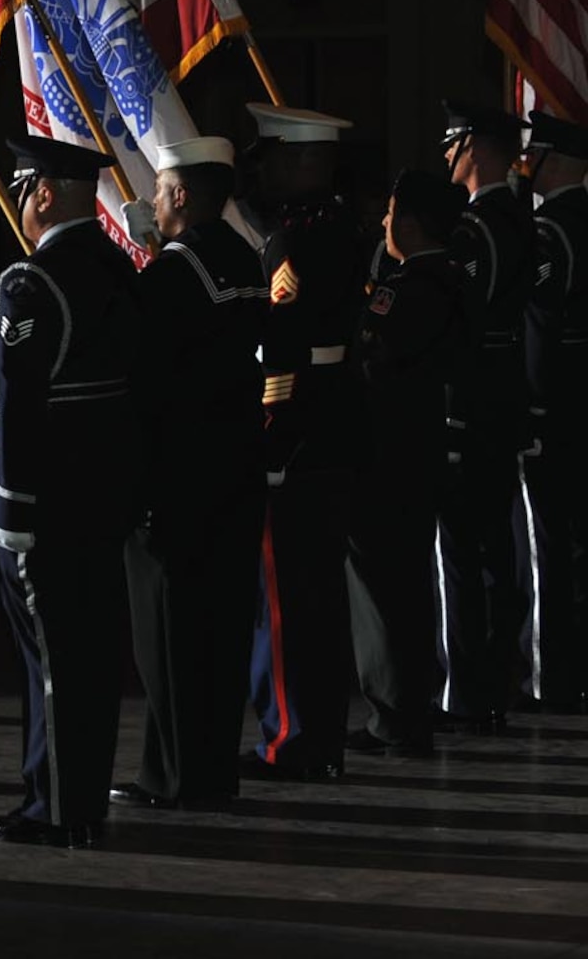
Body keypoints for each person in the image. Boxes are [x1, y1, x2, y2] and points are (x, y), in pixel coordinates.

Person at [0, 137, 142, 848]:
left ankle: (54, 808)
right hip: (103, 497)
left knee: (52, 664)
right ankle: (80, 797)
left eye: (23, 187)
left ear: (44, 193)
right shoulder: (117, 265)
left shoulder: (29, 281)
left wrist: (10, 512)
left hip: (46, 505)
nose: (19, 201)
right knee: (89, 658)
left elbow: (21, 401)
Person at [107, 136, 264, 811]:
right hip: (235, 468)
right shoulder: (243, 258)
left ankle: (172, 776)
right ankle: (212, 767)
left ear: (179, 196)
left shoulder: (173, 273)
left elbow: (142, 373)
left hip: (175, 477)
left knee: (167, 637)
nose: (153, 200)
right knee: (221, 632)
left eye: (161, 190)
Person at [240, 105, 369, 782]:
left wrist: (271, 434)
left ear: (301, 161)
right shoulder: (341, 226)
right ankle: (320, 736)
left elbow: (283, 347)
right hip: (336, 428)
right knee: (319, 595)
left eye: (273, 158)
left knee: (288, 602)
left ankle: (293, 737)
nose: (264, 170)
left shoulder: (293, 243)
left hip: (298, 433)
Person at [346, 170, 469, 756]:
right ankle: (409, 706)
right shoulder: (451, 279)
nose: (384, 224)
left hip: (389, 453)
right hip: (421, 450)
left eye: (392, 215)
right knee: (410, 583)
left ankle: (394, 714)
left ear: (412, 224)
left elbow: (372, 352)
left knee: (383, 584)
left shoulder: (411, 287)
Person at [514, 111, 588, 713]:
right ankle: (579, 673)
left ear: (551, 161)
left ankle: (549, 677)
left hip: (551, 398)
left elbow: (539, 325)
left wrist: (527, 404)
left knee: (548, 542)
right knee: (579, 539)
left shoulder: (550, 229)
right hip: (582, 394)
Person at [435, 100, 532, 732]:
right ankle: (495, 682)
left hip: (470, 404)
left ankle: (467, 692)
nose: (446, 154)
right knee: (495, 549)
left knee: (463, 557)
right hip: (505, 400)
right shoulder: (522, 218)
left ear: (477, 147)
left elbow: (459, 323)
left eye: (453, 143)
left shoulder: (475, 228)